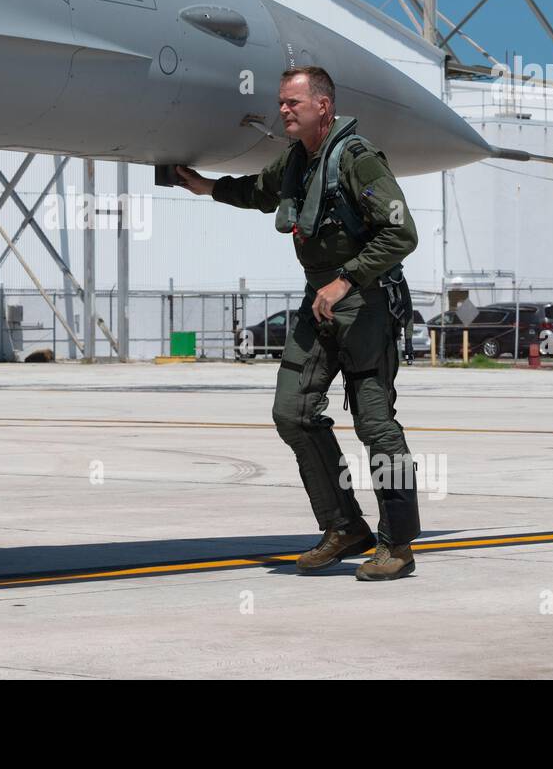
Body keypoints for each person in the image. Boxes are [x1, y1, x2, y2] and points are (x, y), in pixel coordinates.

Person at [176, 65, 421, 581]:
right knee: (293, 412)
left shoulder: (357, 160)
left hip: (365, 304)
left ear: (323, 107)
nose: (283, 110)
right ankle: (344, 526)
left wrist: (346, 280)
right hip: (321, 303)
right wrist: (207, 188)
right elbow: (260, 193)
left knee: (376, 425)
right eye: (282, 102)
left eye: (293, 103)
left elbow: (401, 234)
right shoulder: (296, 161)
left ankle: (397, 543)